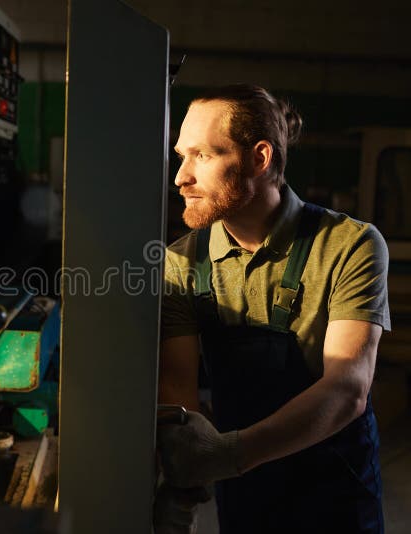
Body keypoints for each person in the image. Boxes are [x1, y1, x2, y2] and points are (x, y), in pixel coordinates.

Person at [155, 84, 390, 533]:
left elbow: (348, 389)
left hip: (335, 483)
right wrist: (183, 487)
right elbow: (178, 389)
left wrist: (223, 456)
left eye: (202, 156)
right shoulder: (180, 262)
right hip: (243, 489)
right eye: (181, 156)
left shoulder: (350, 245)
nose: (181, 176)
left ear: (259, 159)